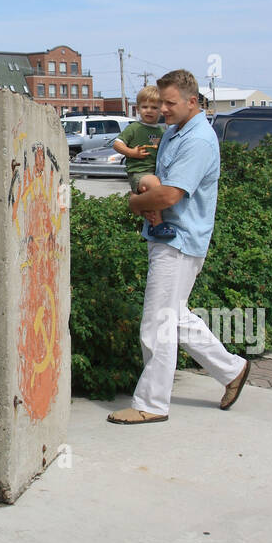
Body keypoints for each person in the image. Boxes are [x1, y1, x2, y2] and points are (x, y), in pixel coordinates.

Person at [107, 68, 250, 424]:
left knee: (157, 322)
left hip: (180, 242)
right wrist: (146, 193)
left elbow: (170, 193)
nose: (163, 109)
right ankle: (231, 370)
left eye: (169, 103)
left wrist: (136, 203)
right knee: (175, 318)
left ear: (192, 101)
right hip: (167, 237)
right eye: (160, 102)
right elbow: (154, 178)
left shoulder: (198, 139)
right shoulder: (174, 133)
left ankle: (151, 404)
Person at [112, 85, 174, 239]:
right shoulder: (134, 128)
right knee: (155, 185)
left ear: (161, 110)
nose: (149, 110)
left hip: (154, 173)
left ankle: (146, 210)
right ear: (138, 109)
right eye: (145, 107)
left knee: (159, 189)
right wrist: (132, 152)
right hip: (138, 173)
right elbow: (117, 144)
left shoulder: (162, 131)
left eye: (154, 107)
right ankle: (158, 225)